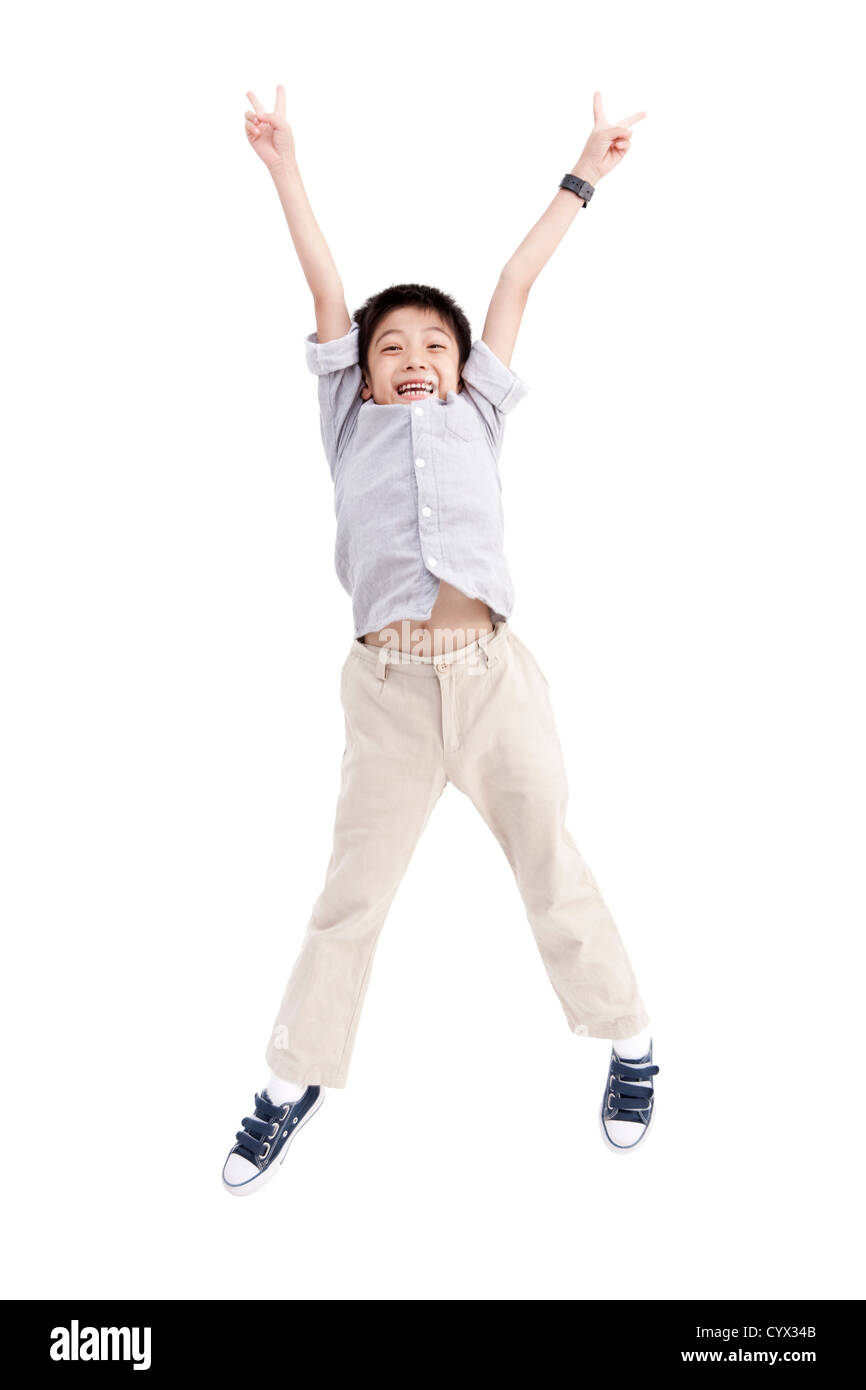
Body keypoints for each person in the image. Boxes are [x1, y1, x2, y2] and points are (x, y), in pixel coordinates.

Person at [222, 85, 659, 1196]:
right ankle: (293, 1079)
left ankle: (627, 1038)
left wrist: (585, 171)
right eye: (390, 348)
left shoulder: (479, 413)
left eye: (432, 345)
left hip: (495, 681)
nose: (412, 356)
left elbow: (514, 281)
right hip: (388, 694)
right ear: (359, 372)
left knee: (549, 865)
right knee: (350, 894)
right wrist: (283, 166)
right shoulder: (347, 422)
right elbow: (325, 285)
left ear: (463, 370)